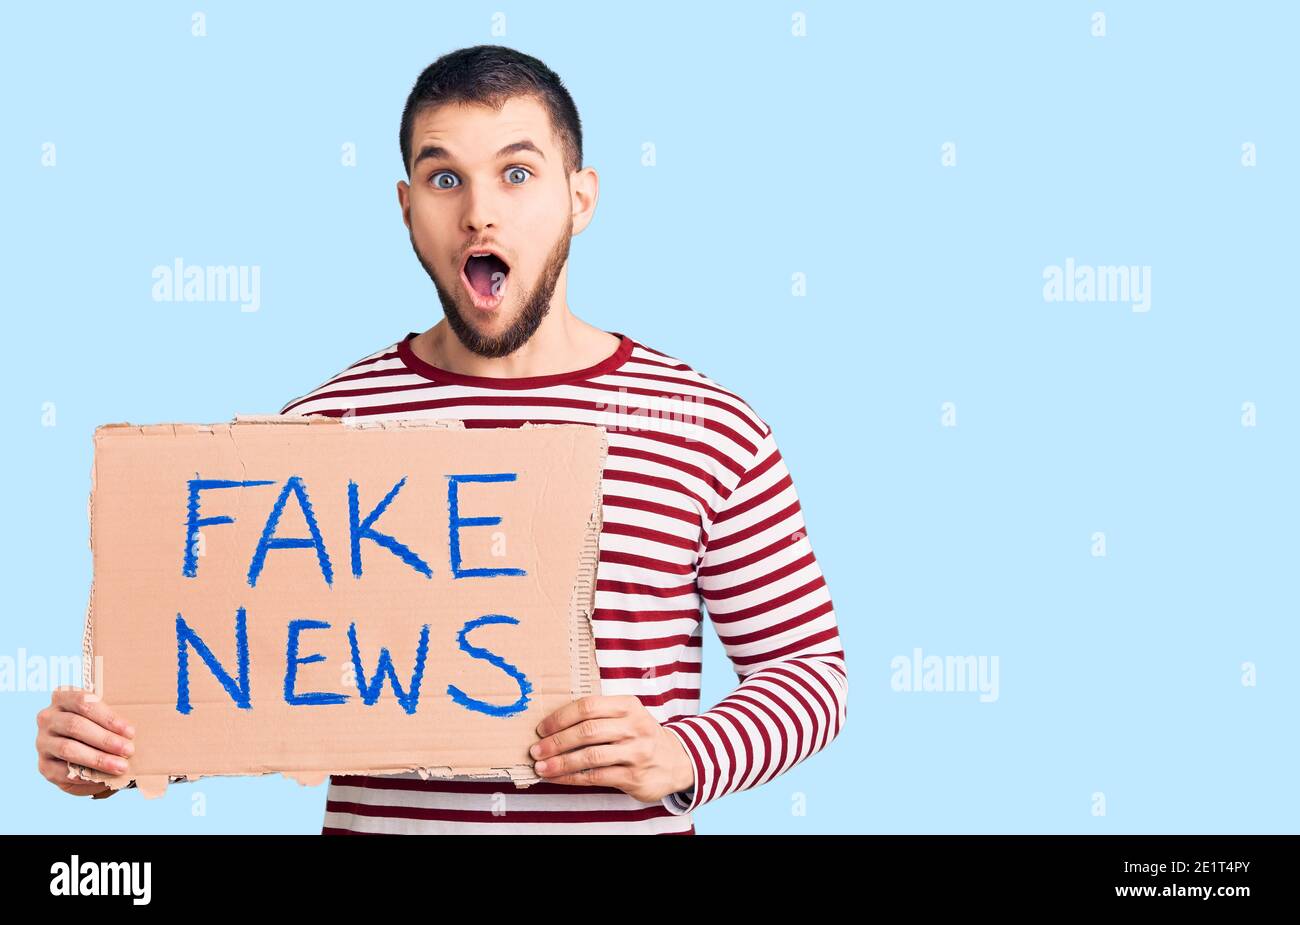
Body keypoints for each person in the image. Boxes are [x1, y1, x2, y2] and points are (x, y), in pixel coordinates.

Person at [36, 44, 847, 834]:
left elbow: (812, 676)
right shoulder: (323, 430)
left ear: (581, 197)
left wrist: (683, 752)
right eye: (444, 178)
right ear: (406, 208)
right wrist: (104, 754)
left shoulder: (706, 426)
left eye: (517, 173)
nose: (479, 211)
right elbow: (232, 685)